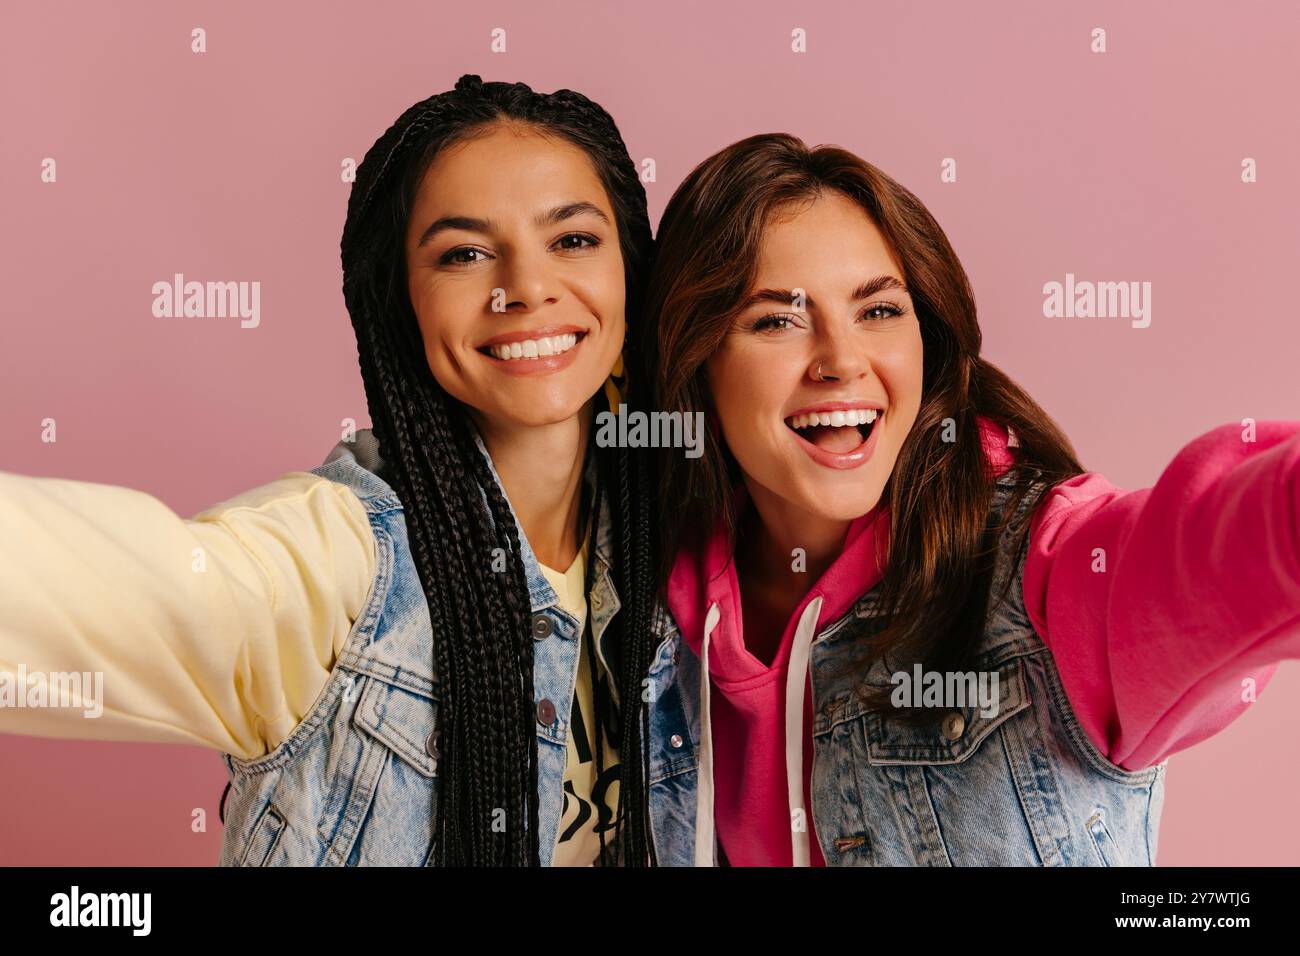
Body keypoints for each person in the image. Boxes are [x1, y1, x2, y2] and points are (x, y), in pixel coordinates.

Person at [0, 75, 695, 867]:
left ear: (631, 271)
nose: (528, 287)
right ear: (401, 301)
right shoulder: (333, 562)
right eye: (463, 253)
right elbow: (65, 580)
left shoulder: (682, 548)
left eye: (572, 239)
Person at [640, 132, 1300, 866]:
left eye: (880, 311)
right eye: (776, 321)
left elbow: (1218, 546)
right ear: (694, 362)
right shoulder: (651, 615)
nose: (841, 360)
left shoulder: (1044, 568)